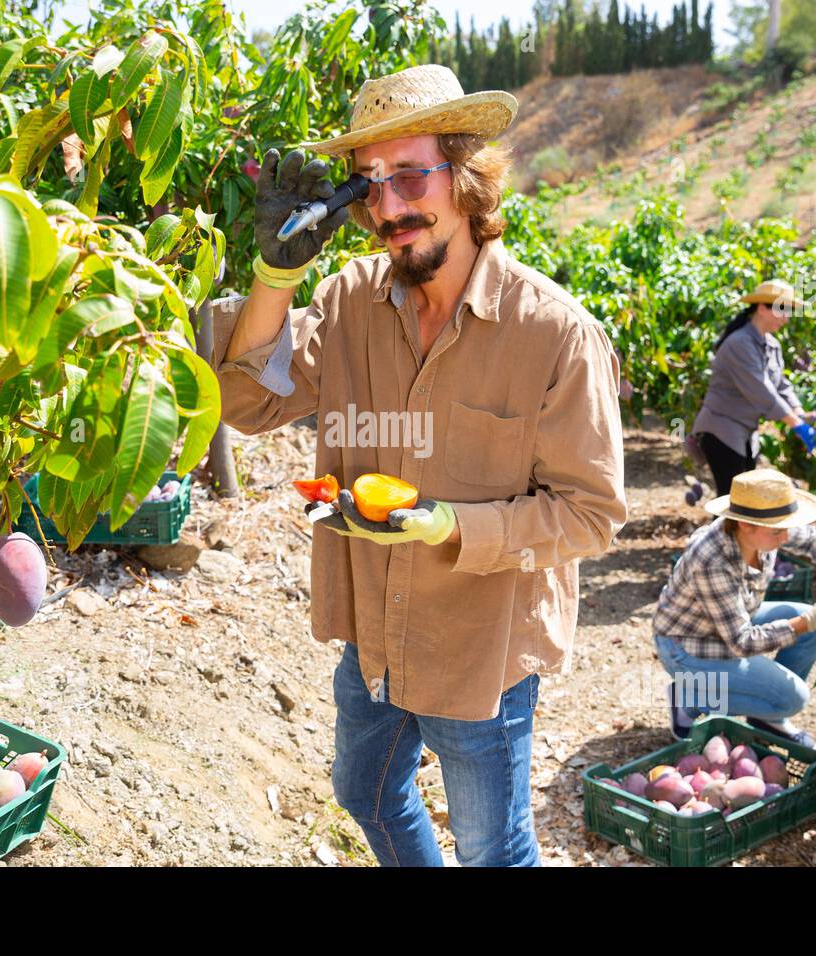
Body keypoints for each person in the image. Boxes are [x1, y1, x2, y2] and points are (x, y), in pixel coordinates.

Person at [206, 64, 627, 866]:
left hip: (482, 658)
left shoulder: (553, 335)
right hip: (372, 639)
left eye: (409, 175)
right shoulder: (350, 301)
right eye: (368, 184)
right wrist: (276, 275)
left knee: (492, 848)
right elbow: (246, 404)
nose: (389, 206)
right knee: (362, 792)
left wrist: (449, 526)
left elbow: (591, 513)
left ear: (467, 177)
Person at [651, 468, 816, 750]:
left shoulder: (765, 529)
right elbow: (742, 642)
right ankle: (691, 696)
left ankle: (766, 715)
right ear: (745, 524)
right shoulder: (712, 561)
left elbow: (812, 540)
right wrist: (809, 620)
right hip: (690, 647)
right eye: (779, 531)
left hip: (733, 622)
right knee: (794, 698)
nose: (786, 537)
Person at [691, 279, 816, 497]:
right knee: (731, 501)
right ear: (762, 308)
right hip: (721, 430)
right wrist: (796, 424)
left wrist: (799, 412)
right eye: (782, 310)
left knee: (743, 501)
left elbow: (781, 385)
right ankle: (714, 533)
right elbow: (760, 389)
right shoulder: (739, 343)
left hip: (745, 432)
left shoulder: (772, 345)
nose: (786, 318)